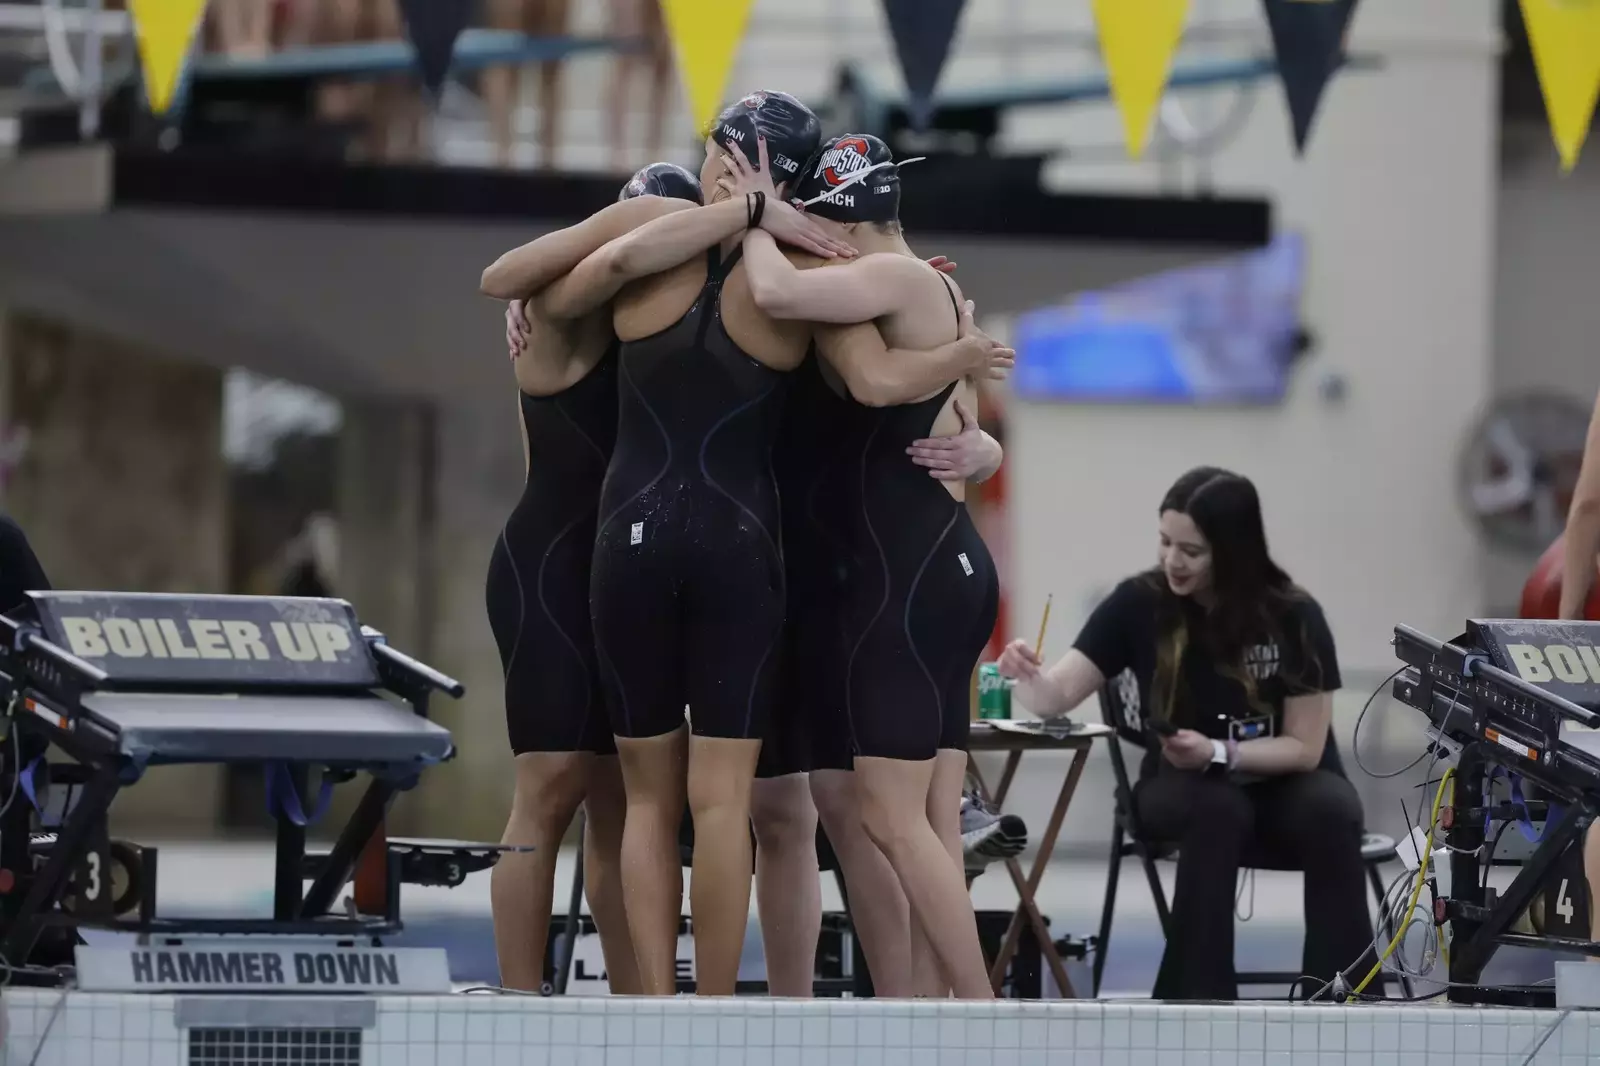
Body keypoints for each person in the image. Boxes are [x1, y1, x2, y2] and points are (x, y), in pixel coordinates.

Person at [509, 93, 1007, 996]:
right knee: (776, 808)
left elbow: (885, 387)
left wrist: (971, 403)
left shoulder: (813, 271)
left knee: (843, 812)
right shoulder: (800, 270)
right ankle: (773, 1014)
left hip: (781, 562)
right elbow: (876, 377)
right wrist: (964, 356)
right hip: (779, 560)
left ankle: (902, 1013)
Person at [730, 133, 1000, 999]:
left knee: (888, 814)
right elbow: (941, 408)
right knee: (924, 824)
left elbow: (859, 367)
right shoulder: (932, 283)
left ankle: (982, 1019)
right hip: (946, 564)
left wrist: (753, 215)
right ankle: (924, 1020)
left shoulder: (886, 280)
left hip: (901, 571)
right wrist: (973, 413)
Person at [997, 466, 1371, 1001]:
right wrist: (1025, 677)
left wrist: (1221, 751)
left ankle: (1343, 994)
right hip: (1178, 787)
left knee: (1334, 808)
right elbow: (1054, 698)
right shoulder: (1137, 603)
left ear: (1232, 551)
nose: (1172, 560)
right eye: (1165, 541)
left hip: (1280, 779)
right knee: (1219, 809)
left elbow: (1305, 749)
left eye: (1191, 551)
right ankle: (1197, 997)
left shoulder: (1294, 616)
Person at [483, 161, 701, 994]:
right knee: (550, 786)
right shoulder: (562, 314)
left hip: (621, 572)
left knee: (622, 800)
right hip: (550, 566)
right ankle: (518, 999)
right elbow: (536, 277)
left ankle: (635, 999)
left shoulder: (670, 334)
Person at [754, 320, 1008, 998]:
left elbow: (921, 398)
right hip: (767, 568)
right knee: (778, 810)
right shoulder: (767, 285)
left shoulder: (861, 295)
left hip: (857, 574)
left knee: (853, 801)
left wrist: (982, 441)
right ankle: (792, 1018)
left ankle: (907, 1010)